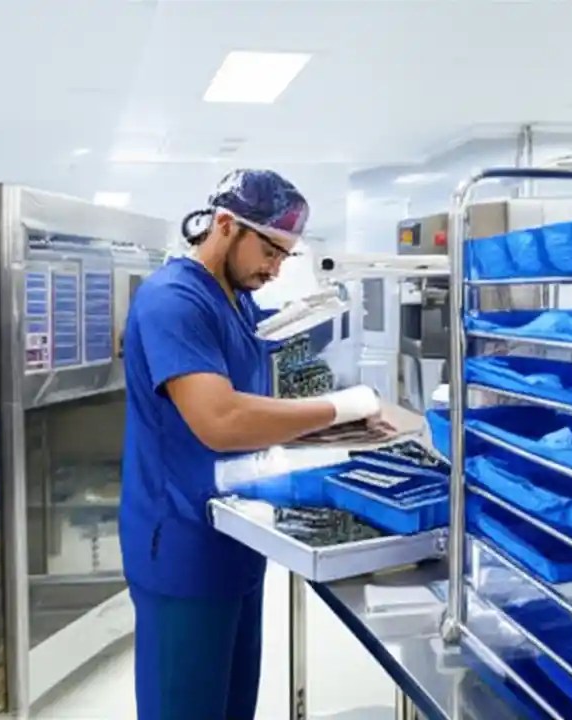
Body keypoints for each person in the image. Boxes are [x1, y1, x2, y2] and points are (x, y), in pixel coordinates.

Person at [119, 169, 382, 720]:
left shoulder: (233, 299)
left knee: (233, 707)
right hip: (183, 546)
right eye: (270, 250)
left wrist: (334, 424)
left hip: (233, 538)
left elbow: (254, 379)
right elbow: (221, 418)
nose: (276, 268)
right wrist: (341, 407)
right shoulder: (173, 300)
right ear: (224, 225)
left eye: (286, 256)